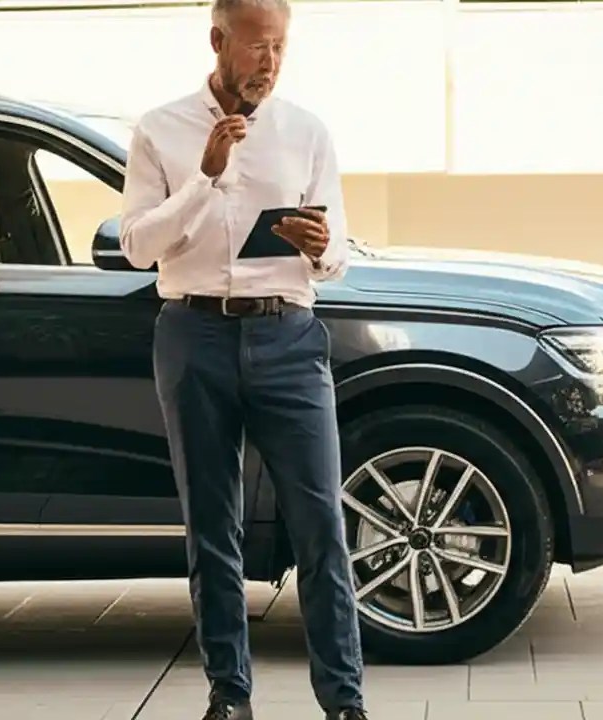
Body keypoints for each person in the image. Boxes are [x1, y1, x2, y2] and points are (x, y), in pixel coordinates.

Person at [118, 0, 366, 718]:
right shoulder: (160, 130)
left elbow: (339, 253)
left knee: (320, 524)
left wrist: (321, 247)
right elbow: (137, 246)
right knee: (212, 526)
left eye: (281, 48)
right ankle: (230, 696)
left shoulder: (306, 132)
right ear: (219, 42)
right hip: (194, 337)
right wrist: (205, 177)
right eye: (258, 48)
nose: (270, 63)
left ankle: (344, 702)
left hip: (288, 337)